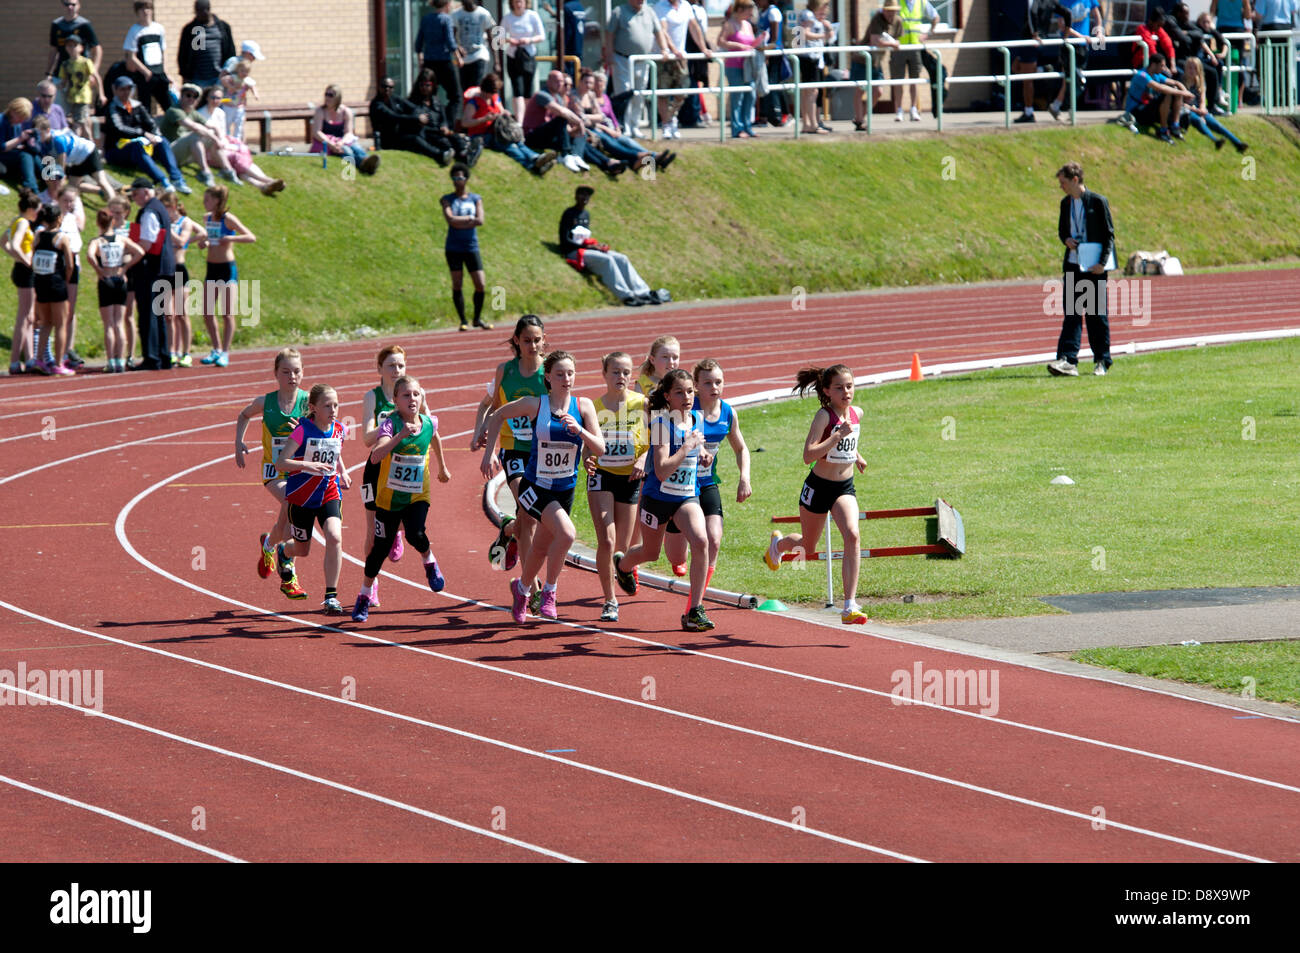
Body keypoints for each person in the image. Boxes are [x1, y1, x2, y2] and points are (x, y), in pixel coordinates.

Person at [479, 350, 604, 623]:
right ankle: (549, 592)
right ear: (548, 376)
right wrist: (490, 452)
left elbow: (600, 447)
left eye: (570, 373)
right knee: (567, 534)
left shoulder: (583, 407)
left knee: (540, 548)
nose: (566, 379)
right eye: (559, 374)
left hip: (564, 488)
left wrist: (581, 434)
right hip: (534, 484)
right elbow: (498, 414)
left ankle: (521, 588)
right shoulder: (536, 404)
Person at [764, 364, 869, 625]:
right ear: (826, 391)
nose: (846, 391)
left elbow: (849, 442)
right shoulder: (824, 416)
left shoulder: (857, 413)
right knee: (808, 547)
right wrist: (834, 437)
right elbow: (808, 455)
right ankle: (778, 545)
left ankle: (849, 605)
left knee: (853, 535)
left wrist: (857, 457)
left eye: (849, 386)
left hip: (844, 488)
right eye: (839, 387)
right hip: (818, 487)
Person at [613, 369, 716, 632]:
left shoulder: (696, 418)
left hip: (685, 497)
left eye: (690, 391)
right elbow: (661, 470)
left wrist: (703, 453)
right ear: (668, 396)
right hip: (657, 498)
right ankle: (623, 565)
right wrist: (688, 447)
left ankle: (695, 610)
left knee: (701, 541)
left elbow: (696, 443)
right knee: (651, 552)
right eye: (680, 392)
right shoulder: (660, 423)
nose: (687, 397)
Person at [352, 375, 452, 622]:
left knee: (415, 533)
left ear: (422, 398)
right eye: (406, 395)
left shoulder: (429, 422)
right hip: (388, 497)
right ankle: (364, 594)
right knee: (379, 551)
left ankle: (429, 561)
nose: (412, 399)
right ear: (395, 400)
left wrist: (442, 467)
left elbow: (435, 436)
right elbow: (375, 457)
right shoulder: (390, 424)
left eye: (416, 394)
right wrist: (399, 436)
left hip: (418, 493)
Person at [662, 359, 752, 582]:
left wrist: (744, 478)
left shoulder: (728, 412)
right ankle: (677, 548)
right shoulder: (687, 408)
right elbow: (682, 431)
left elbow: (741, 448)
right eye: (708, 383)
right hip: (680, 485)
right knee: (676, 556)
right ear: (696, 386)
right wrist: (699, 448)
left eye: (718, 382)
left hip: (706, 481)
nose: (714, 388)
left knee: (714, 539)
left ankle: (698, 595)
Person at [472, 314, 546, 580]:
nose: (533, 346)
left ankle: (508, 530)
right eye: (527, 340)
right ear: (517, 340)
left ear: (543, 341)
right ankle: (532, 586)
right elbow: (492, 406)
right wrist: (482, 435)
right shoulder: (505, 370)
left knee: (530, 517)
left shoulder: (549, 372)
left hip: (543, 451)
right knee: (529, 508)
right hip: (514, 449)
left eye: (537, 340)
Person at [358, 345, 429, 609]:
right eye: (390, 365)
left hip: (406, 470)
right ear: (379, 369)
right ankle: (372, 584)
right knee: (372, 529)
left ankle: (398, 530)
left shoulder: (414, 393)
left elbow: (428, 424)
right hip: (376, 469)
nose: (396, 370)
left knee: (405, 520)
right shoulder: (372, 397)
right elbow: (366, 439)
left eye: (400, 365)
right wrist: (389, 424)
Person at [235, 347, 309, 596]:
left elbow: (326, 432)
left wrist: (305, 427)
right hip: (274, 472)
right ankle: (288, 574)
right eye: (286, 372)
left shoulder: (308, 402)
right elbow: (243, 415)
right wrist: (239, 442)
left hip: (300, 472)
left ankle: (269, 544)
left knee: (286, 524)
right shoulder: (265, 402)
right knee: (293, 503)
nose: (292, 376)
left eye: (297, 371)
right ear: (276, 374)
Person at [274, 384, 351, 613]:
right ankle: (284, 552)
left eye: (336, 405)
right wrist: (308, 465)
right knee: (302, 550)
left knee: (335, 537)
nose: (333, 409)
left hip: (328, 492)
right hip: (301, 498)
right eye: (327, 405)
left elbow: (335, 454)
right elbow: (281, 463)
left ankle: (331, 596)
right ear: (314, 408)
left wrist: (343, 471)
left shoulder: (339, 429)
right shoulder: (302, 430)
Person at [585, 350, 650, 622]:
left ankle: (623, 570)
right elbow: (586, 446)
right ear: (604, 374)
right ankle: (609, 600)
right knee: (607, 540)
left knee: (622, 547)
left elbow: (657, 440)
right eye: (615, 372)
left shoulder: (643, 403)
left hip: (631, 478)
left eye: (626, 372)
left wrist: (644, 459)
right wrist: (587, 459)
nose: (621, 377)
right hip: (601, 476)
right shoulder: (594, 408)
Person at [1047, 161, 1115, 378]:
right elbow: (1061, 231)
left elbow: (1109, 235)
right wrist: (1065, 240)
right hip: (1073, 264)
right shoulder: (1065, 203)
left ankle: (1102, 360)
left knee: (1096, 314)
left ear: (1075, 180)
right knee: (1072, 314)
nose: (1061, 187)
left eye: (1064, 182)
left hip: (1094, 266)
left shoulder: (1098, 201)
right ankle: (1068, 360)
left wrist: (1102, 264)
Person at [559, 186, 669, 307]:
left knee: (622, 258)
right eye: (582, 194)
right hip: (573, 252)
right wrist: (590, 248)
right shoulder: (568, 213)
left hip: (587, 249)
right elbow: (565, 240)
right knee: (608, 260)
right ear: (575, 196)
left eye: (587, 196)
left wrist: (597, 245)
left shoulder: (586, 214)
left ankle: (642, 292)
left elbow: (585, 238)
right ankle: (626, 296)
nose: (584, 198)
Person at [196, 183, 254, 368]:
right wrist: (204, 243)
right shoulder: (207, 218)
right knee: (207, 311)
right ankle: (216, 349)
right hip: (211, 267)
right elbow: (209, 239)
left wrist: (231, 238)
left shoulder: (228, 219)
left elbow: (250, 236)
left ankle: (226, 352)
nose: (204, 202)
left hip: (227, 268)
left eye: (208, 199)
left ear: (218, 201)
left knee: (227, 313)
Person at [105, 77, 192, 194]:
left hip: (141, 147)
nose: (126, 92)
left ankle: (177, 179)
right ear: (115, 90)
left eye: (129, 89)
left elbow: (151, 124)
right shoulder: (112, 107)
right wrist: (143, 134)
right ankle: (162, 181)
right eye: (122, 89)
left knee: (162, 141)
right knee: (137, 145)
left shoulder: (137, 106)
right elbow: (119, 128)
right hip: (118, 150)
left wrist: (155, 136)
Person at [461, 73, 558, 175]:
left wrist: (505, 113)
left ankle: (535, 158)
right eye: (491, 92)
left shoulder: (495, 98)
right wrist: (484, 119)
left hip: (498, 131)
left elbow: (501, 111)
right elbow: (465, 123)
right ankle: (531, 165)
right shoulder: (473, 103)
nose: (492, 95)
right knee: (508, 145)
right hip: (482, 136)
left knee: (517, 142)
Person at [85, 206, 143, 372]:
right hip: (119, 280)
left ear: (98, 223)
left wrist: (98, 270)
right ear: (113, 221)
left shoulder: (97, 242)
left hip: (106, 280)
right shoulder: (121, 240)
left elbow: (89, 255)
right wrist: (124, 268)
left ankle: (111, 360)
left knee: (108, 324)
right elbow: (139, 252)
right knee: (119, 323)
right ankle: (120, 360)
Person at [197, 85, 285, 193]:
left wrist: (225, 143)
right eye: (213, 97)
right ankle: (268, 180)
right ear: (207, 97)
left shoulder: (220, 113)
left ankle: (262, 186)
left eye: (218, 98)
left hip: (222, 146)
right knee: (236, 157)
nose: (215, 101)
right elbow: (203, 136)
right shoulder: (200, 114)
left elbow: (223, 134)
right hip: (210, 151)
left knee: (239, 160)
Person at [604, 0, 672, 136]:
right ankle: (624, 125)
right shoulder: (619, 12)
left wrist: (665, 49)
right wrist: (609, 54)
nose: (641, 1)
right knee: (624, 92)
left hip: (643, 60)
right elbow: (609, 34)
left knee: (639, 94)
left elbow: (659, 32)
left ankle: (635, 126)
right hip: (623, 59)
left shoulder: (650, 12)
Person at [128, 177, 176, 370]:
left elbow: (146, 243)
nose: (133, 198)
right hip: (163, 268)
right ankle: (163, 355)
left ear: (146, 192)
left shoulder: (149, 212)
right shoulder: (160, 208)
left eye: (135, 194)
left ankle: (152, 357)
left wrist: (129, 257)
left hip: (151, 269)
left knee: (149, 313)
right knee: (158, 313)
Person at [441, 162, 493, 331]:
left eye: (460, 177)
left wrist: (460, 221)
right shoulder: (447, 199)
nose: (457, 181)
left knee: (480, 283)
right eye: (454, 178)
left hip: (471, 247)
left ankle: (477, 318)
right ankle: (463, 320)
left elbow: (480, 220)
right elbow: (450, 219)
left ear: (466, 179)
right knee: (457, 284)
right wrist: (469, 219)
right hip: (453, 248)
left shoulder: (475, 198)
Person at [30, 203, 76, 377]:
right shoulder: (62, 238)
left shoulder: (39, 236)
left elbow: (33, 257)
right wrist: (66, 280)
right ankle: (57, 363)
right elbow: (70, 265)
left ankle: (39, 360)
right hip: (56, 284)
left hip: (41, 283)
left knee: (45, 324)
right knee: (61, 325)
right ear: (59, 218)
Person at [1011, 0, 1073, 123]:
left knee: (1027, 80)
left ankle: (1028, 112)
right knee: (1015, 67)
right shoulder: (1050, 2)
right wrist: (1066, 32)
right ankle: (1042, 69)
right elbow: (1068, 13)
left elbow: (1032, 13)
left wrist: (1035, 33)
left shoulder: (1033, 2)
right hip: (1038, 41)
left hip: (1031, 42)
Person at [371, 76, 453, 165]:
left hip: (399, 133)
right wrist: (416, 118)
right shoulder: (377, 105)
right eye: (384, 86)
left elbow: (413, 107)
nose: (387, 89)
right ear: (379, 87)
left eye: (390, 87)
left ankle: (453, 149)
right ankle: (440, 155)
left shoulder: (394, 98)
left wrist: (420, 116)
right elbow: (394, 116)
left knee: (428, 130)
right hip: (388, 140)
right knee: (415, 139)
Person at [653, 0, 705, 139]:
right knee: (663, 92)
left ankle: (671, 118)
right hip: (664, 57)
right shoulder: (660, 6)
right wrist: (674, 50)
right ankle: (666, 124)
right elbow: (662, 31)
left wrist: (704, 48)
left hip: (681, 57)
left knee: (682, 91)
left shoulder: (686, 6)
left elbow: (694, 27)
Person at [33, 116, 116, 201]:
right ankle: (99, 191)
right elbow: (47, 166)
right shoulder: (43, 143)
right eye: (36, 134)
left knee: (101, 181)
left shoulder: (58, 140)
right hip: (77, 160)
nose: (38, 137)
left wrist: (60, 178)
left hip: (88, 152)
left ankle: (114, 204)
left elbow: (62, 163)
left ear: (47, 130)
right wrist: (50, 184)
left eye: (40, 134)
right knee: (71, 187)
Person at [159, 190, 198, 366]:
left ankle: (186, 352)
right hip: (165, 270)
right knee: (168, 315)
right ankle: (171, 350)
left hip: (180, 269)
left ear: (173, 207)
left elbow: (182, 241)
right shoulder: (163, 223)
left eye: (165, 208)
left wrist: (167, 228)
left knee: (182, 314)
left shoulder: (185, 222)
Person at [4, 188, 40, 375]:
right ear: (31, 208)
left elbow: (4, 242)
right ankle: (15, 361)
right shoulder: (23, 222)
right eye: (37, 210)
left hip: (22, 270)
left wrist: (16, 257)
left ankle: (30, 357)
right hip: (25, 272)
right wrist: (26, 261)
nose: (38, 214)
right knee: (23, 317)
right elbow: (15, 244)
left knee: (28, 317)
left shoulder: (17, 220)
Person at [1122, 53, 1194, 142]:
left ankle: (1175, 126)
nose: (1164, 68)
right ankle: (1163, 130)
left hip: (1148, 109)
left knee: (1175, 90)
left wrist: (1185, 92)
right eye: (1162, 66)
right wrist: (1183, 93)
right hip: (1136, 112)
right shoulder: (1142, 75)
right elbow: (1159, 87)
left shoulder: (1156, 75)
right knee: (1168, 93)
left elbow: (1176, 83)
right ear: (1153, 65)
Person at [1181, 57, 1248, 150]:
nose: (1192, 70)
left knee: (1217, 124)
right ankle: (1215, 140)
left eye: (1195, 68)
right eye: (1190, 68)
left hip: (1199, 109)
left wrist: (1202, 109)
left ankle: (1238, 143)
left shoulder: (1200, 82)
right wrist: (1197, 111)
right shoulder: (1181, 82)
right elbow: (1180, 103)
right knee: (1199, 121)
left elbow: (1202, 100)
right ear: (1185, 69)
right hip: (1187, 110)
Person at [415, 0, 464, 128]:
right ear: (447, 5)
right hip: (444, 61)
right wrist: (458, 57)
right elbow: (450, 41)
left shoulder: (425, 19)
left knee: (430, 95)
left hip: (429, 62)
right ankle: (447, 124)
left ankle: (432, 124)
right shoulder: (446, 19)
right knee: (456, 96)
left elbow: (419, 42)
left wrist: (420, 59)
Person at [311, 85, 380, 174]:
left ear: (338, 98)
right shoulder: (320, 111)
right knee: (347, 150)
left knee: (356, 147)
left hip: (341, 141)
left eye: (331, 95)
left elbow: (349, 133)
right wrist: (331, 144)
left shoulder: (346, 112)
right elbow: (317, 132)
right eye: (326, 94)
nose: (327, 97)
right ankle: (363, 166)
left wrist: (341, 142)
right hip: (325, 142)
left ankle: (367, 161)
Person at [719, 0, 763, 139]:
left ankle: (747, 126)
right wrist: (738, 46)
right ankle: (737, 128)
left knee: (750, 95)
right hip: (734, 65)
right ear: (739, 10)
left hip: (748, 66)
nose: (751, 13)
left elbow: (751, 42)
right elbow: (720, 41)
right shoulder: (729, 24)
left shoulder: (748, 25)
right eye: (748, 10)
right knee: (737, 97)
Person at [161, 84, 220, 187]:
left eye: (195, 96)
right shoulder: (174, 111)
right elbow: (194, 127)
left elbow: (212, 127)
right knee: (196, 135)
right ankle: (206, 173)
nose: (191, 99)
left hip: (185, 152)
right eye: (188, 95)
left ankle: (227, 169)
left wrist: (218, 137)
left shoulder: (193, 112)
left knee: (210, 135)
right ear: (181, 96)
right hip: (170, 153)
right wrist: (215, 139)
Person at [856, 2, 903, 129]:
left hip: (876, 61)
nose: (890, 13)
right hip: (862, 58)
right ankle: (860, 121)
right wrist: (893, 45)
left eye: (893, 11)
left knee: (878, 91)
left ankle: (861, 117)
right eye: (887, 10)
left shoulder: (898, 21)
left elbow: (898, 40)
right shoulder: (877, 19)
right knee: (860, 90)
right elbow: (875, 41)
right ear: (883, 10)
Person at [124, 2, 171, 115]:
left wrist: (165, 71)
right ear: (137, 12)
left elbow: (163, 51)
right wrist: (145, 72)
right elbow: (131, 56)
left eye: (148, 9)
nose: (145, 12)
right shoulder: (134, 31)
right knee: (145, 107)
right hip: (145, 76)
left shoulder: (158, 28)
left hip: (159, 72)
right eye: (142, 9)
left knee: (168, 105)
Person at [502, 0, 546, 120]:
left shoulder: (533, 15)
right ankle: (520, 121)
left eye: (521, 1)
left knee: (528, 88)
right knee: (517, 88)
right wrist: (510, 40)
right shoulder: (507, 18)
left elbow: (542, 36)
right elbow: (498, 38)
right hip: (513, 56)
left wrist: (529, 40)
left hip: (528, 56)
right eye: (516, 2)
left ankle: (528, 119)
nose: (518, 4)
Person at [51, 36, 101, 141]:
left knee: (78, 124)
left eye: (75, 45)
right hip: (71, 97)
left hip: (83, 97)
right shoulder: (65, 64)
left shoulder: (85, 62)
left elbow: (96, 77)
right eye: (69, 45)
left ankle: (77, 146)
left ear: (81, 48)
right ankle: (91, 148)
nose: (72, 48)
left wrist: (101, 94)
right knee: (84, 123)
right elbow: (63, 82)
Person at [179, 0, 236, 90]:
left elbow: (230, 52)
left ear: (208, 10)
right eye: (196, 11)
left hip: (219, 77)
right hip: (198, 78)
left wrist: (230, 72)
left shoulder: (222, 27)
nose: (197, 15)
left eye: (200, 11)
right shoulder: (191, 29)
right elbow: (183, 54)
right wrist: (185, 76)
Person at [798, 0, 833, 133]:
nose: (826, 8)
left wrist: (828, 28)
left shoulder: (813, 16)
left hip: (814, 57)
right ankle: (812, 124)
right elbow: (804, 34)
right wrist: (823, 35)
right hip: (809, 57)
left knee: (808, 91)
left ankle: (808, 123)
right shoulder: (808, 15)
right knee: (812, 91)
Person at [47, 0, 103, 83]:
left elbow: (97, 48)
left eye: (73, 4)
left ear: (79, 5)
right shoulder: (56, 25)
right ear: (62, 6)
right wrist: (48, 73)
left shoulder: (84, 24)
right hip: (62, 71)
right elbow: (53, 50)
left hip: (81, 73)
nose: (70, 7)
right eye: (67, 4)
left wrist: (93, 71)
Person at [756, 0, 789, 127]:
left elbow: (774, 39)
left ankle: (779, 114)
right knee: (765, 84)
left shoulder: (773, 12)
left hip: (773, 54)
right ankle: (764, 116)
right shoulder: (762, 12)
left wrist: (767, 52)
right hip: (764, 53)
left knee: (773, 83)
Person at [454, 0, 498, 95]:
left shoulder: (484, 13)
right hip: (464, 57)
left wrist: (496, 61)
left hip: (479, 54)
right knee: (465, 89)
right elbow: (452, 36)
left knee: (476, 87)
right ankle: (468, 109)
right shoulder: (456, 14)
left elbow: (491, 38)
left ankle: (476, 109)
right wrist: (458, 49)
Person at [1, 99, 41, 195]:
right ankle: (32, 188)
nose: (22, 120)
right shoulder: (1, 121)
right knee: (25, 155)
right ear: (12, 111)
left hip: (11, 154)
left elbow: (15, 144)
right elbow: (2, 147)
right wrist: (20, 139)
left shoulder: (17, 124)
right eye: (21, 117)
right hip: (2, 156)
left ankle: (50, 178)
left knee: (32, 153)